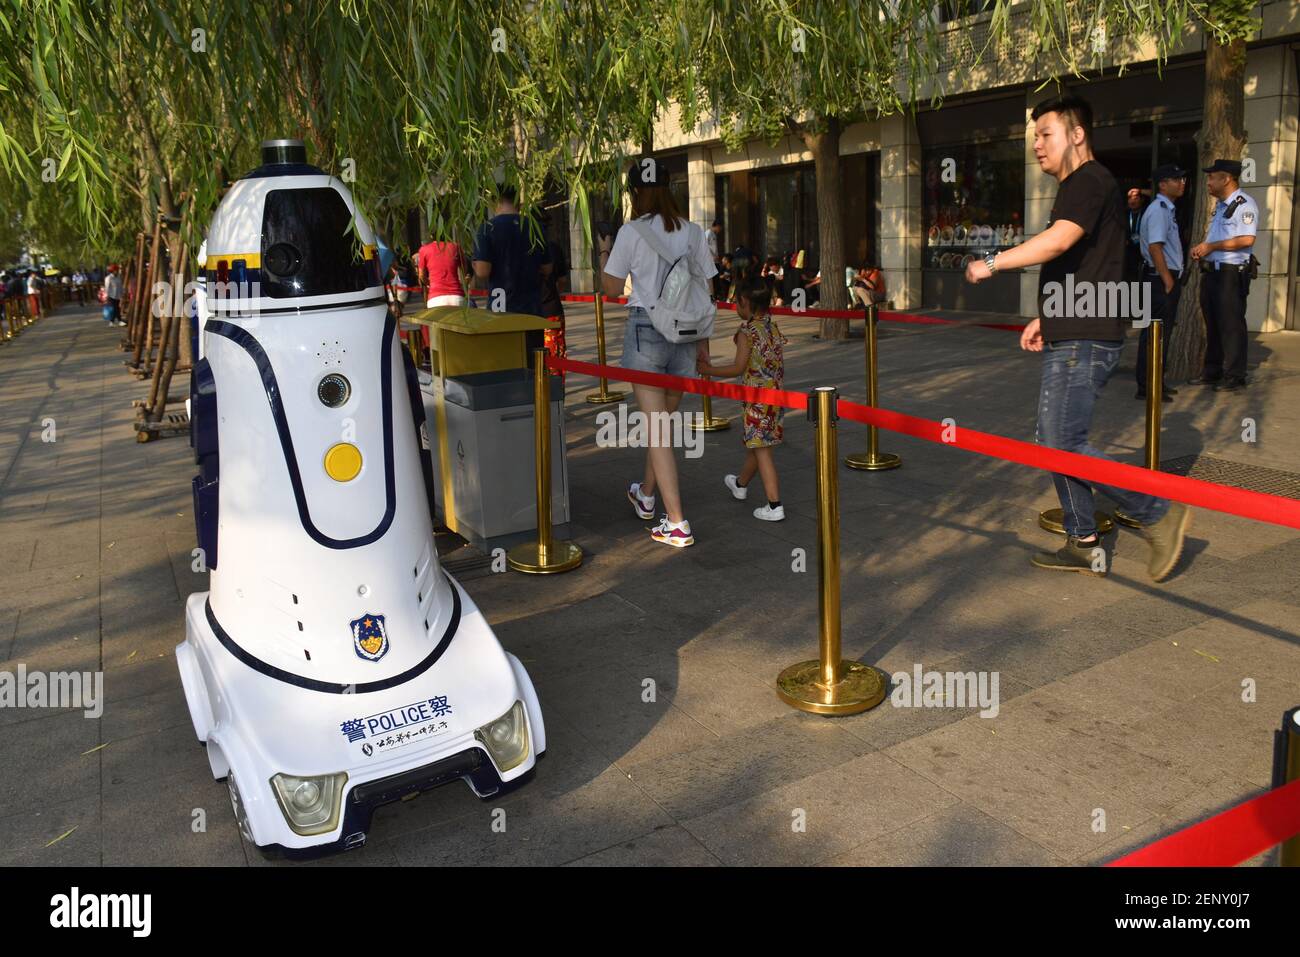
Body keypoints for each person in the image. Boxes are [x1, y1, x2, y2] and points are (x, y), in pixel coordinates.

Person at [964, 94, 1190, 582]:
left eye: (1045, 135)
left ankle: (1157, 514)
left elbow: (1058, 242)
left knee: (1062, 440)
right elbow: (1085, 263)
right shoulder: (1083, 185)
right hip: (1076, 325)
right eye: (1035, 137)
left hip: (1087, 337)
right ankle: (1083, 540)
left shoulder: (1087, 180)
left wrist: (993, 262)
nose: (1037, 146)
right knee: (1055, 439)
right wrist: (1049, 317)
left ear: (1077, 134)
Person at [602, 159, 717, 548]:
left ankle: (678, 522)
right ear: (671, 189)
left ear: (636, 193)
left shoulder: (630, 232)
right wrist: (705, 345)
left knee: (657, 428)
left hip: (646, 330)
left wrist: (604, 254)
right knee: (663, 423)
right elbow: (706, 290)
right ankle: (646, 494)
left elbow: (611, 288)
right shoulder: (693, 232)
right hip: (687, 332)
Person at [699, 277, 787, 522]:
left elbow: (738, 367)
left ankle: (774, 505)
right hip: (776, 395)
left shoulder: (747, 331)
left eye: (736, 302)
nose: (735, 306)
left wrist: (708, 370)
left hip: (756, 398)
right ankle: (740, 484)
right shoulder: (772, 326)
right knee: (760, 445)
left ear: (745, 302)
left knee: (762, 450)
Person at [1189, 158, 1259, 393]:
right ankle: (1212, 372)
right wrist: (1203, 248)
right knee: (1213, 324)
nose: (1208, 181)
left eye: (1212, 176)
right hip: (1212, 273)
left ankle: (1235, 375)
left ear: (1227, 178)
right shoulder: (1220, 206)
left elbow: (1247, 240)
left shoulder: (1244, 205)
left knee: (1231, 325)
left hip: (1230, 275)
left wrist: (1212, 247)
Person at [1136, 164, 1187, 401]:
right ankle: (1149, 386)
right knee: (1155, 334)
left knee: (1157, 333)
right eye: (1176, 179)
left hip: (1159, 278)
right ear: (1163, 184)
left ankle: (1154, 383)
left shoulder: (1166, 209)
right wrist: (1168, 279)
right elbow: (1156, 246)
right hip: (1159, 279)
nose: (1182, 183)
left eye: (1182, 179)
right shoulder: (1159, 210)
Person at [472, 184, 551, 316]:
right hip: (531, 305)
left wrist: (474, 265)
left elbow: (482, 271)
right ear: (517, 202)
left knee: (504, 337)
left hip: (500, 304)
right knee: (531, 336)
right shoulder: (535, 227)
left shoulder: (487, 229)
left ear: (495, 202)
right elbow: (547, 268)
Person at [416, 232, 467, 308]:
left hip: (436, 299)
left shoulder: (424, 250)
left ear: (431, 235)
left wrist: (429, 283)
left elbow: (421, 276)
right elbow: (464, 270)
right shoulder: (456, 247)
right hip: (457, 297)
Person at [1122, 187, 1147, 284]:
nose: (1132, 201)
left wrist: (1140, 190)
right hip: (1128, 253)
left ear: (1142, 199)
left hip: (1143, 252)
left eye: (1136, 198)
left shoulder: (1147, 213)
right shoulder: (1123, 214)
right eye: (1130, 198)